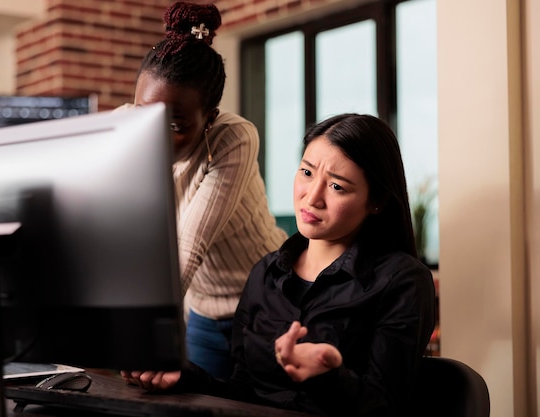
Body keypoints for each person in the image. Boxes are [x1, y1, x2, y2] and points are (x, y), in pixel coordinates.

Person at [122, 113, 437, 417]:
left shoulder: (402, 281)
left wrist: (329, 378)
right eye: (307, 172)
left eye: (337, 186)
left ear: (377, 201)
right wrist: (183, 376)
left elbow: (386, 407)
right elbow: (245, 394)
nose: (311, 198)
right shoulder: (265, 274)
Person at [127, 2, 287, 379]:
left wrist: (142, 332)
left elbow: (188, 245)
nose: (152, 134)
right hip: (201, 311)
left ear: (209, 118)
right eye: (143, 114)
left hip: (267, 305)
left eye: (175, 124)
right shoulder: (124, 130)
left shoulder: (234, 136)